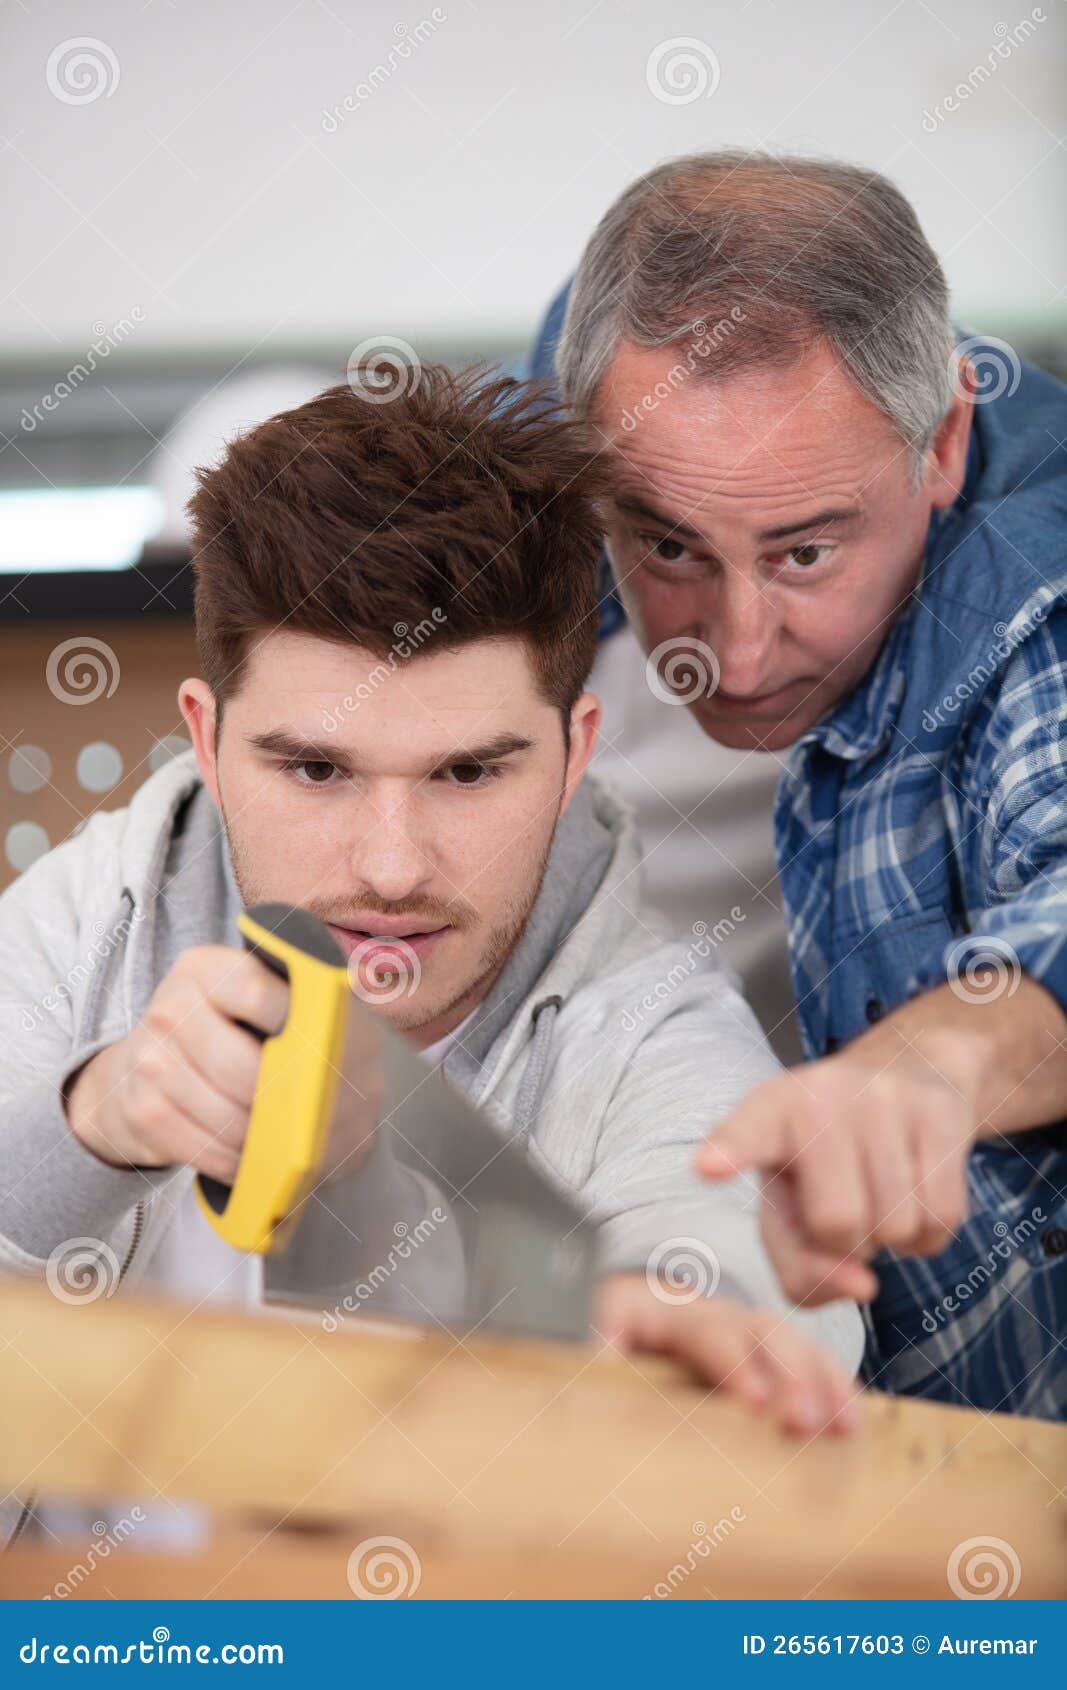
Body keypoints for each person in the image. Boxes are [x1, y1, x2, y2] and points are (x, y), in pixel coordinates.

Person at [0, 365, 864, 1548]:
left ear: (574, 754)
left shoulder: (656, 1037)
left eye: (467, 773)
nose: (392, 866)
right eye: (315, 770)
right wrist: (86, 1121)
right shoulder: (73, 924)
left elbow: (721, 1284)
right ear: (205, 736)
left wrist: (658, 1352)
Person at [531, 149, 1067, 1419]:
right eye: (667, 544)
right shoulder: (578, 421)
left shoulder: (1034, 609)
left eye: (805, 550)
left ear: (938, 443)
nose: (732, 645)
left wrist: (922, 1074)